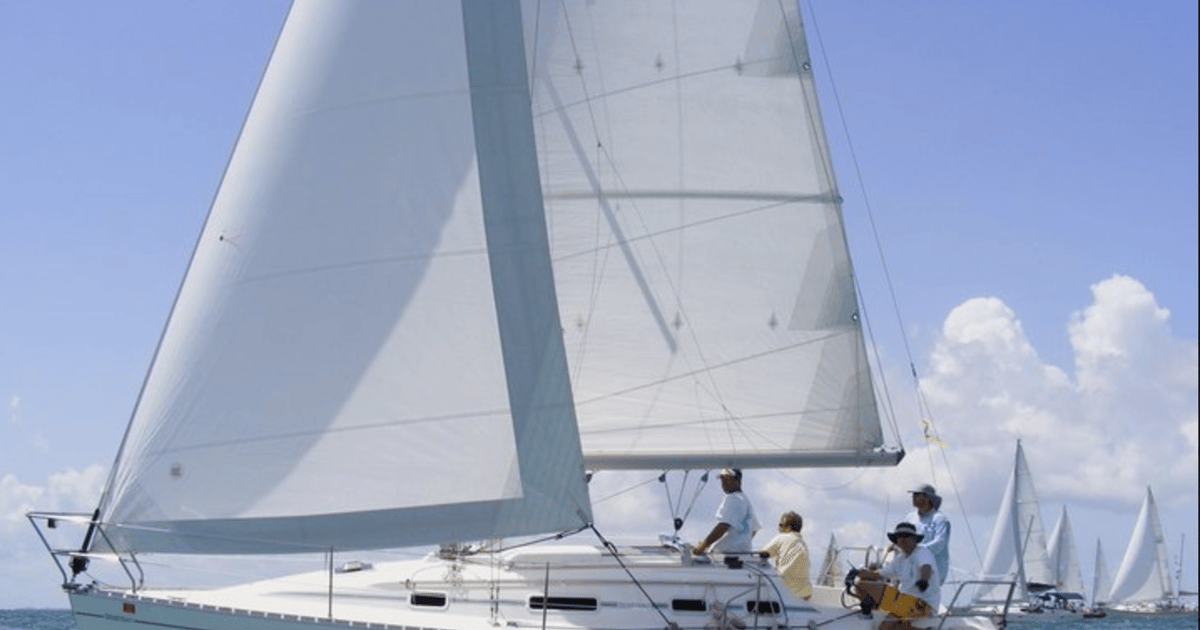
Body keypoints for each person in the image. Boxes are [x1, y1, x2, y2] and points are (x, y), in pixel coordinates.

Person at [847, 522, 941, 630]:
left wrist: (924, 580)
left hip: (922, 602)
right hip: (903, 599)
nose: (902, 539)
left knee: (884, 628)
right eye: (899, 537)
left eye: (906, 536)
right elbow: (880, 574)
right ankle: (868, 610)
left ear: (914, 539)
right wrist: (857, 572)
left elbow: (926, 567)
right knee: (861, 585)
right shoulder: (900, 559)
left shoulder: (922, 552)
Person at [693, 468, 760, 555]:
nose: (724, 483)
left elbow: (723, 525)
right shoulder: (745, 500)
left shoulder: (733, 498)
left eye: (728, 479)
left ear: (738, 481)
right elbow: (754, 529)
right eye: (722, 479)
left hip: (727, 554)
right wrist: (741, 543)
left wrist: (704, 545)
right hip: (744, 554)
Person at [760, 510, 812, 599]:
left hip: (786, 591)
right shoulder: (802, 542)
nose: (778, 528)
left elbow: (762, 554)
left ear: (788, 527)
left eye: (781, 525)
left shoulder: (781, 537)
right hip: (805, 593)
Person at [905, 484, 950, 586]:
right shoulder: (910, 517)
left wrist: (916, 551)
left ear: (927, 497)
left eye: (917, 495)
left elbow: (940, 542)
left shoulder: (940, 519)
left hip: (932, 573)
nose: (913, 497)